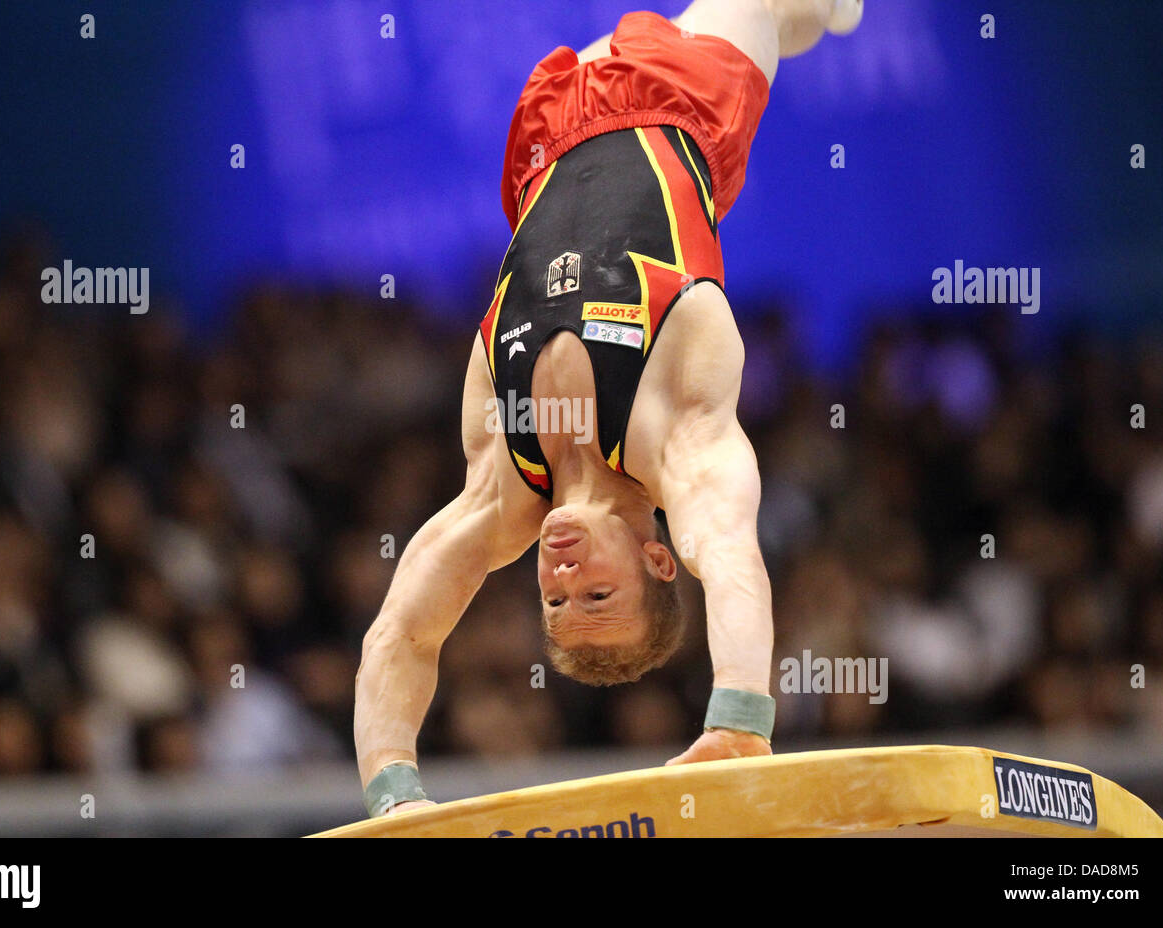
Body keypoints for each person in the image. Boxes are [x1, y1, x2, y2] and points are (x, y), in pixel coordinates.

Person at [355, 0, 860, 817]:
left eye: (556, 603)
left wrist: (393, 795)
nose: (561, 579)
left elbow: (401, 636)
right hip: (680, 104)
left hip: (547, 141)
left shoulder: (503, 488)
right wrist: (739, 721)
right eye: (598, 595)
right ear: (661, 561)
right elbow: (731, 556)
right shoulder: (681, 447)